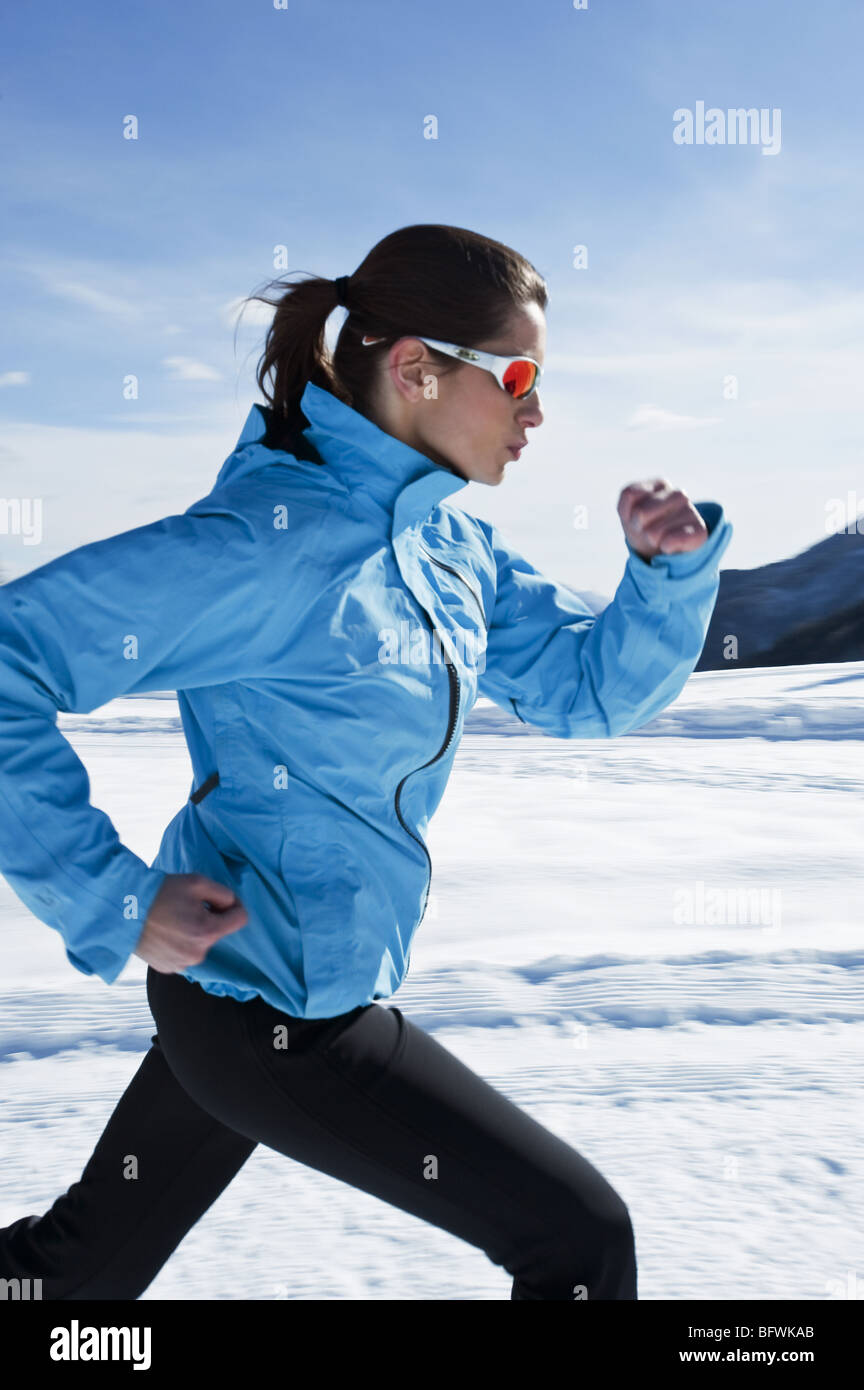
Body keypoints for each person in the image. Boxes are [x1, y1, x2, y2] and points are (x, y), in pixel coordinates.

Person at [0, 223, 732, 1301]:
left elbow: (583, 693)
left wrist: (663, 579)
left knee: (69, 1277)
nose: (537, 413)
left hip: (255, 985)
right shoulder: (266, 545)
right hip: (276, 1019)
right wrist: (113, 899)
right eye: (519, 377)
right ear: (416, 368)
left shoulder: (450, 548)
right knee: (580, 1242)